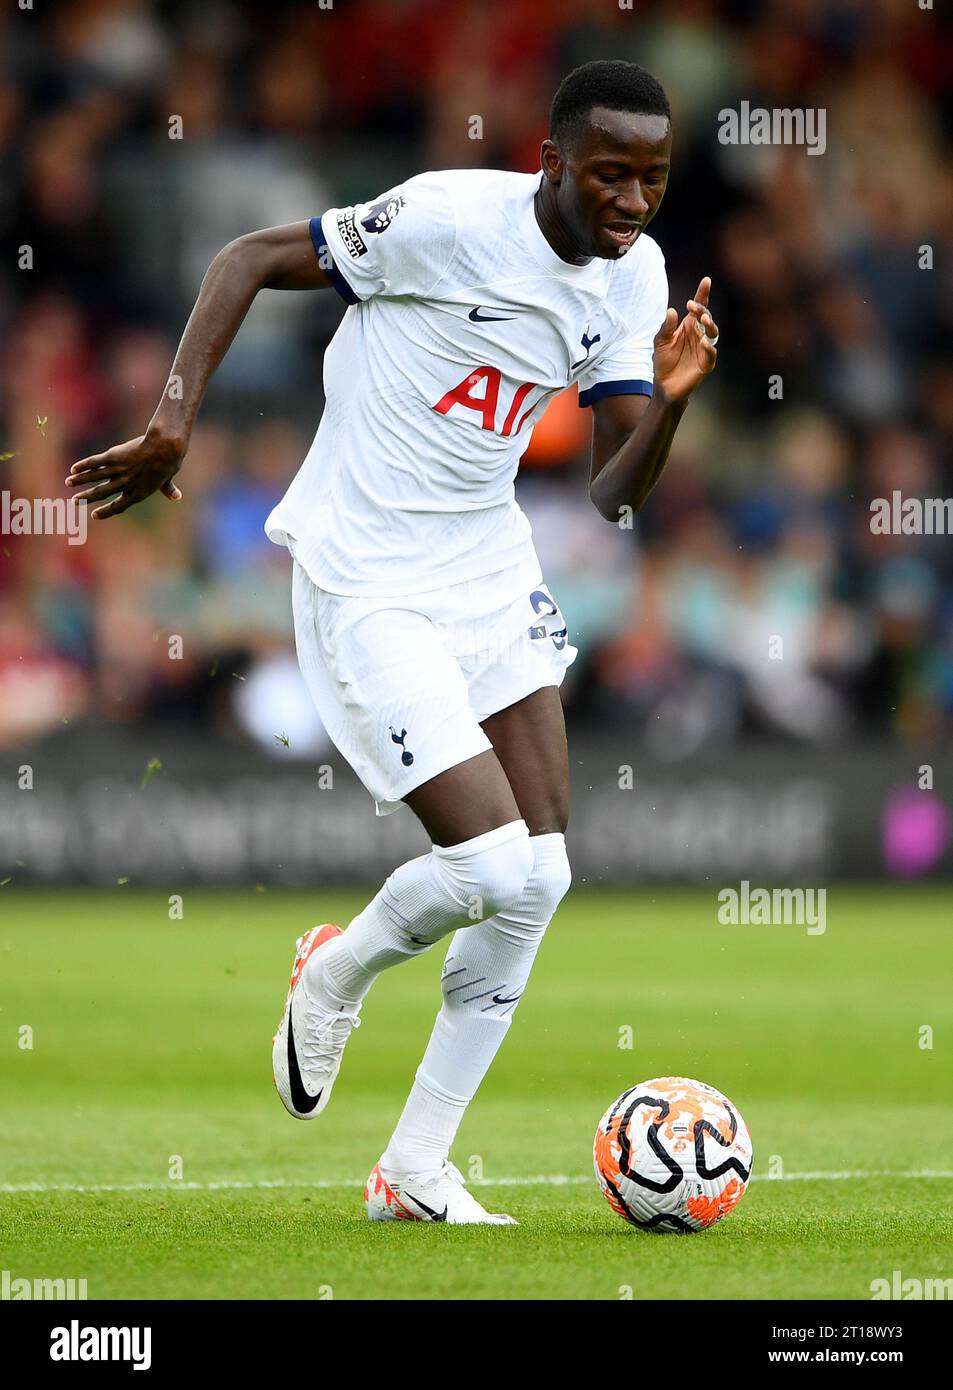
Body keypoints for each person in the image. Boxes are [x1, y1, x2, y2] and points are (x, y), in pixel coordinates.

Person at [66, 60, 719, 1224]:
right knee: (483, 867)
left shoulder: (637, 278)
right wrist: (173, 420)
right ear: (552, 162)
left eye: (653, 179)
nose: (632, 201)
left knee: (541, 876)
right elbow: (247, 259)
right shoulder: (440, 218)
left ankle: (412, 1170)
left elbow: (614, 495)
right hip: (364, 572)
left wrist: (666, 401)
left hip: (486, 565)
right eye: (610, 174)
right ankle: (336, 969)